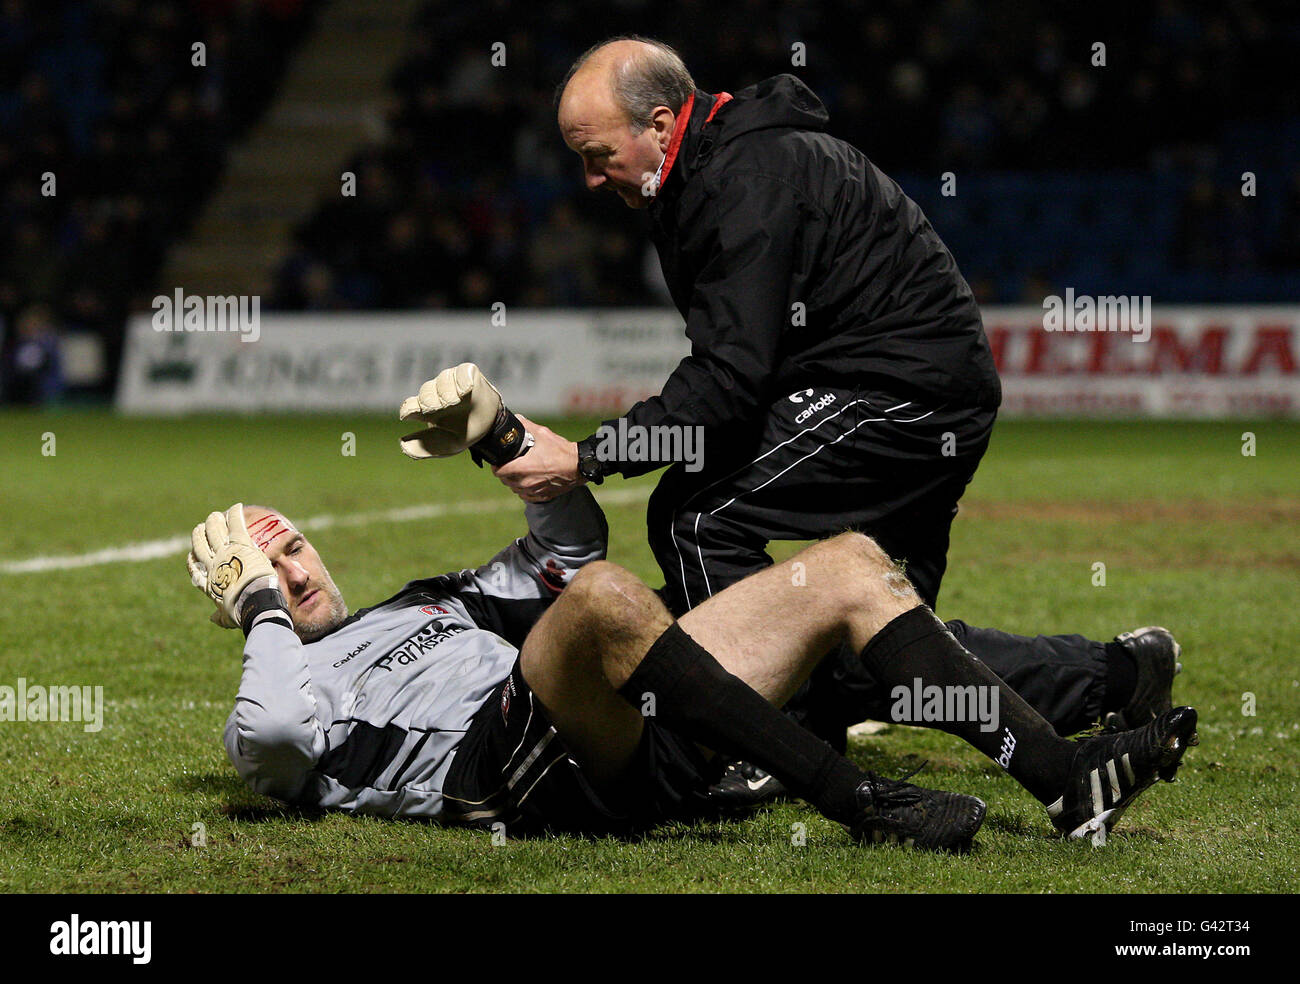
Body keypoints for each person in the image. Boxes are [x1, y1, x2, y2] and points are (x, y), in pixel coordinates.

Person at [491, 37, 1180, 800]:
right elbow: (738, 365)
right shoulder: (698, 174)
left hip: (905, 396)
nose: (589, 179)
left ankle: (754, 741)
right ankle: (1110, 677)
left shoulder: (742, 180)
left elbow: (728, 379)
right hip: (921, 388)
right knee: (871, 643)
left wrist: (587, 458)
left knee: (695, 513)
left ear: (659, 125)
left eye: (596, 155)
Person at [189, 366, 1197, 849]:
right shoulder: (283, 684)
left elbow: (570, 546)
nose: (286, 564)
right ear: (238, 598)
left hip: (613, 722)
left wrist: (499, 436)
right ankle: (859, 804)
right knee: (601, 601)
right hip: (513, 776)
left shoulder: (427, 603)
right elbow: (277, 738)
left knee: (846, 566)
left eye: (290, 544)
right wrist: (260, 610)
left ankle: (1067, 781)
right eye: (261, 564)